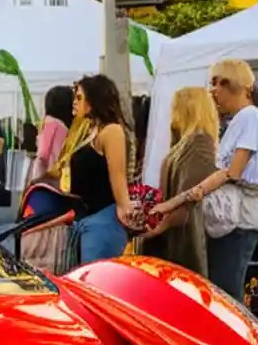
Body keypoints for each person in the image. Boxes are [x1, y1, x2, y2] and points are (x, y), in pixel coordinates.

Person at [152, 59, 258, 300]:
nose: (214, 90)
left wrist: (175, 201)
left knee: (226, 295)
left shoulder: (250, 117)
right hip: (234, 218)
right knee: (222, 292)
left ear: (240, 85)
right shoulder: (240, 120)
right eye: (213, 83)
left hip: (240, 219)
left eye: (221, 83)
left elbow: (231, 172)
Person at [141, 87, 219, 276]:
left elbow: (189, 199)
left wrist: (159, 227)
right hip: (173, 236)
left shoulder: (200, 144)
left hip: (184, 238)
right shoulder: (185, 144)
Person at [68, 74, 138, 264]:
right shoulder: (91, 131)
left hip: (103, 223)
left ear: (94, 100)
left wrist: (124, 208)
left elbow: (118, 174)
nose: (74, 102)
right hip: (88, 222)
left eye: (79, 97)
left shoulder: (112, 131)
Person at [31, 86, 74, 182]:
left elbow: (42, 153)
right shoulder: (55, 125)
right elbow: (44, 153)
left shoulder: (50, 123)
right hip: (52, 176)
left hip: (48, 176)